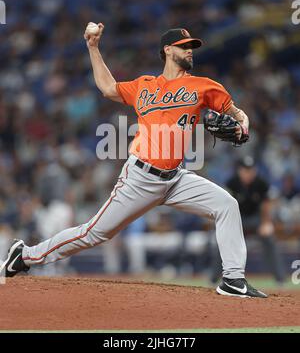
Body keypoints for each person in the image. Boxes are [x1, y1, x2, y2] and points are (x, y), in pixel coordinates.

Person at [0, 24, 267, 298]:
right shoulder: (144, 86)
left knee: (227, 205)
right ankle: (25, 255)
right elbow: (107, 87)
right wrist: (93, 47)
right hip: (140, 178)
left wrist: (242, 128)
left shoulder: (205, 86)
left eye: (192, 47)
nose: (190, 51)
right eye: (184, 46)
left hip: (177, 178)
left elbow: (239, 116)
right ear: (167, 50)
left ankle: (233, 279)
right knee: (93, 233)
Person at [210, 156, 286, 284]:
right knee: (222, 241)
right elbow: (222, 205)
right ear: (240, 170)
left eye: (250, 170)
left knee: (270, 240)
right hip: (236, 220)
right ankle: (213, 279)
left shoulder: (261, 183)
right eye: (245, 170)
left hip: (256, 220)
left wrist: (266, 223)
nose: (248, 173)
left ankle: (280, 279)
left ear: (255, 171)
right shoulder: (231, 183)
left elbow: (267, 203)